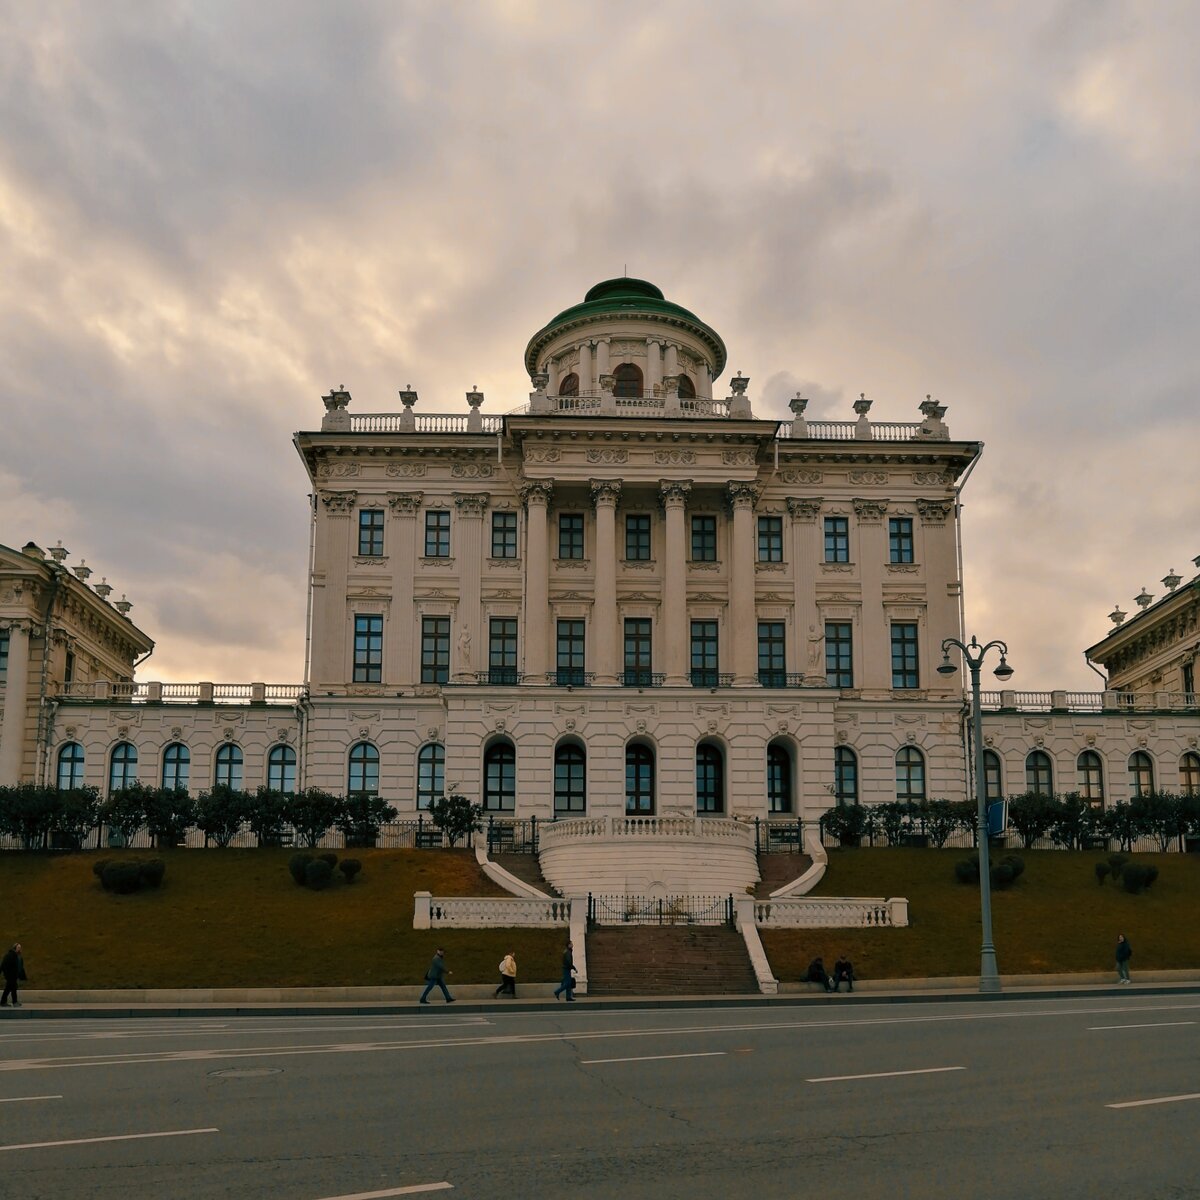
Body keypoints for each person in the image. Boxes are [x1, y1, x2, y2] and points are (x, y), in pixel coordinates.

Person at [1, 943, 26, 1008]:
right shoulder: (10, 956)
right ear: (15, 948)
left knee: (8, 988)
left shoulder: (17, 956)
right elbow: (4, 965)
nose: (20, 949)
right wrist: (7, 974)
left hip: (13, 976)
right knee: (13, 988)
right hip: (11, 976)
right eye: (18, 948)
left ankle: (3, 1001)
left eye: (20, 948)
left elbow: (20, 967)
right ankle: (14, 1002)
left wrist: (21, 975)